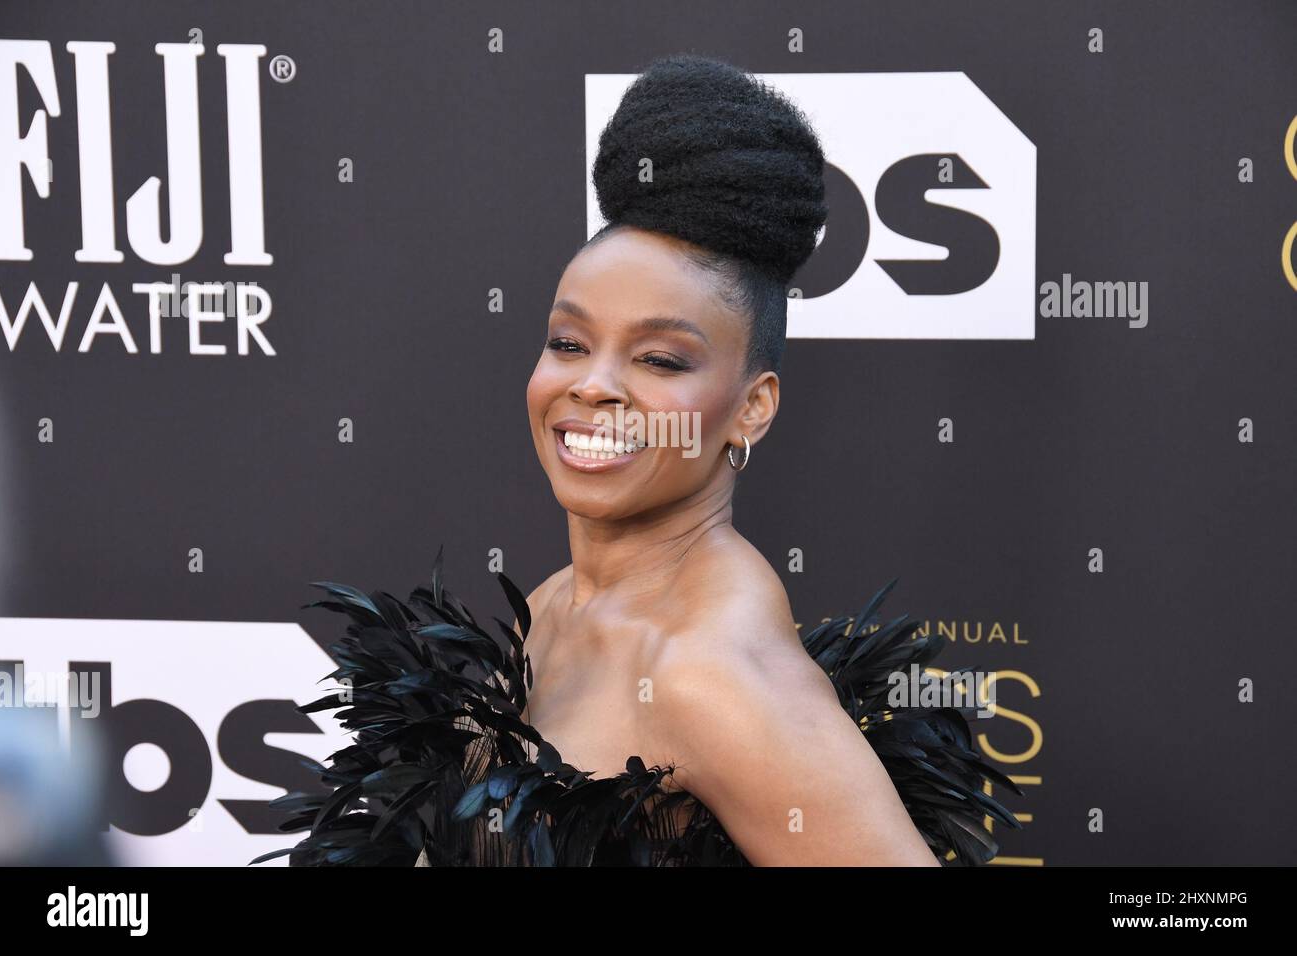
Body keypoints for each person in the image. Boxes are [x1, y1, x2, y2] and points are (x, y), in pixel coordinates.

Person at [253, 52, 1021, 868]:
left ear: (751, 408)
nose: (593, 387)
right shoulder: (553, 604)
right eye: (568, 342)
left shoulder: (714, 676)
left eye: (659, 360)